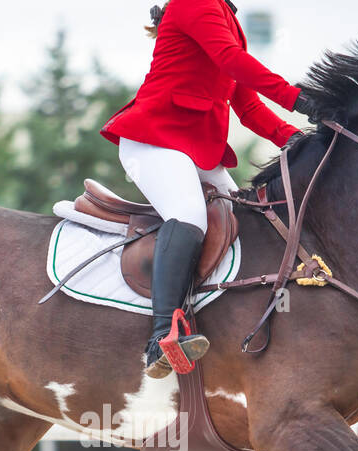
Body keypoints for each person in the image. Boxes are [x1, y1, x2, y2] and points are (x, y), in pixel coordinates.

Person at [101, 0, 316, 377]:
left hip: (195, 148)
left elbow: (246, 107)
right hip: (155, 139)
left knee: (245, 222)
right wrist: (297, 99)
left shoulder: (227, 16)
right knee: (189, 216)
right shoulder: (195, 3)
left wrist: (297, 139)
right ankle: (161, 339)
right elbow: (233, 61)